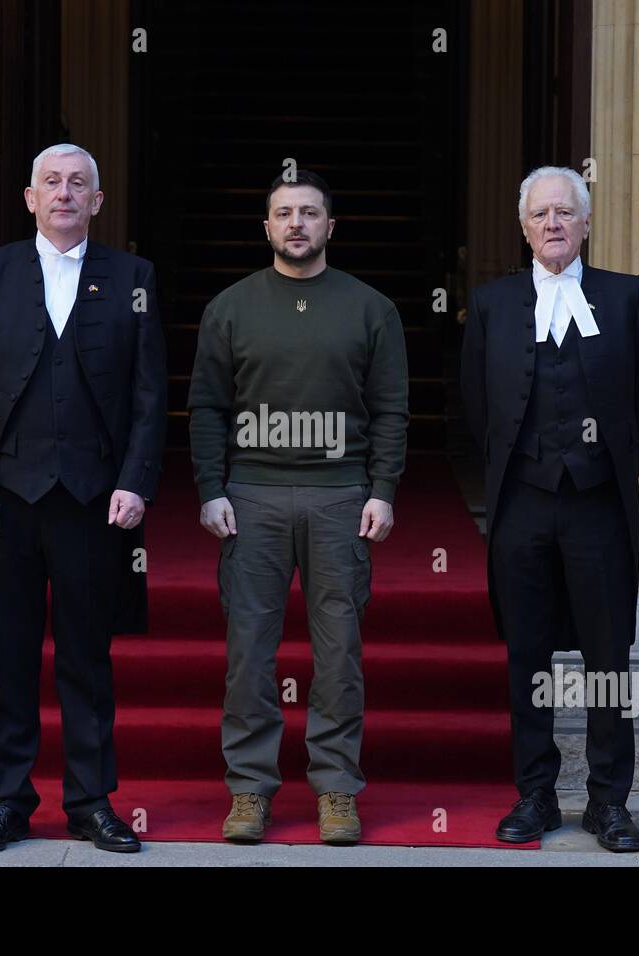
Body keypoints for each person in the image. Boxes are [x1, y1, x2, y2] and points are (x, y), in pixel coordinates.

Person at [0, 143, 167, 854]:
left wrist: (134, 480)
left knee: (85, 657)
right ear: (30, 198)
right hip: (2, 502)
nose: (65, 193)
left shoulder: (134, 277)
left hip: (95, 502)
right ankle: (5, 801)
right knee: (8, 661)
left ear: (97, 202)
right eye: (52, 183)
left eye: (79, 184)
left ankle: (91, 801)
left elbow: (150, 396)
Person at [187, 171, 409, 845]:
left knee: (338, 652)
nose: (296, 224)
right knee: (248, 653)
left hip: (340, 494)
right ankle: (249, 790)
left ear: (330, 227)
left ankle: (336, 788)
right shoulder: (230, 307)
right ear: (267, 227)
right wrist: (210, 488)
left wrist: (383, 489)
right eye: (284, 213)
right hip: (251, 495)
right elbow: (207, 407)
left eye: (309, 213)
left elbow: (392, 409)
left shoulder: (371, 308)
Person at [460, 165, 639, 852]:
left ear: (586, 224)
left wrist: (608, 468)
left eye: (565, 213)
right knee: (529, 656)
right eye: (541, 213)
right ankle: (536, 795)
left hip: (598, 508)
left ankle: (608, 803)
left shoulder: (626, 297)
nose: (553, 223)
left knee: (608, 658)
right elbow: (472, 407)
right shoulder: (491, 304)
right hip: (521, 506)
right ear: (523, 227)